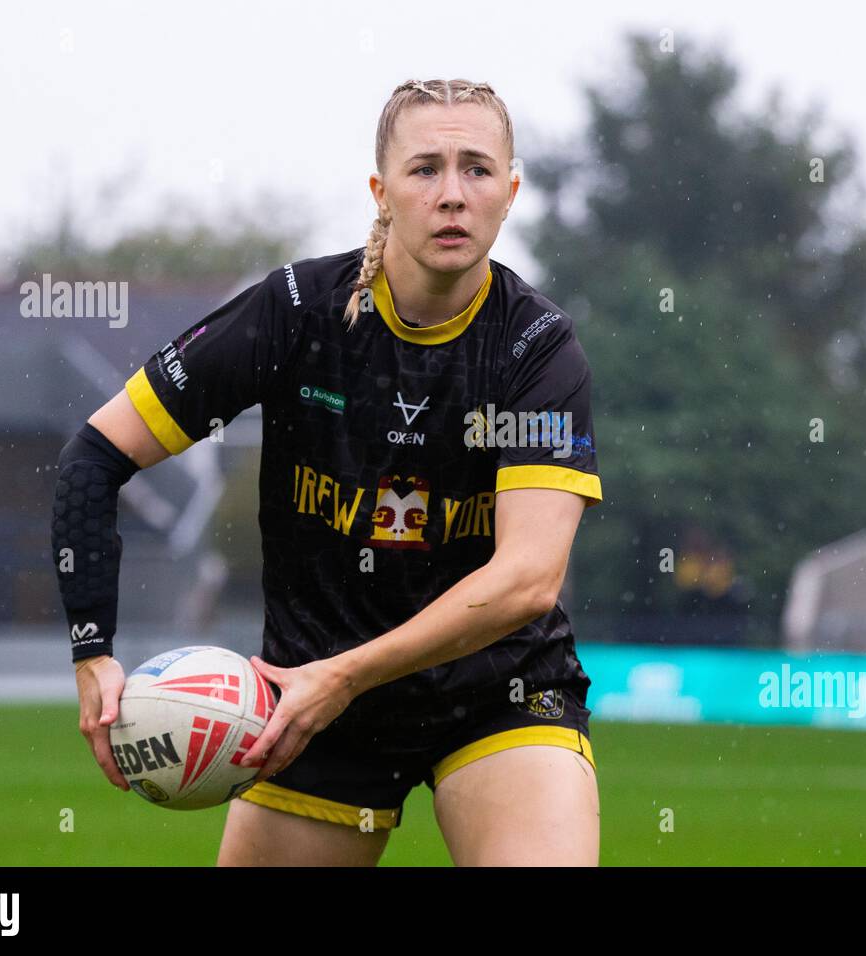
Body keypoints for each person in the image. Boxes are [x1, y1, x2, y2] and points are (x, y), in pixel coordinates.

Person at [54, 78, 603, 866]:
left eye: (477, 169)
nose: (452, 194)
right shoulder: (293, 311)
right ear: (380, 191)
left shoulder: (537, 348)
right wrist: (91, 649)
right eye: (425, 170)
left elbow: (527, 580)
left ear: (510, 191)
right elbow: (95, 456)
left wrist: (344, 675)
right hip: (309, 704)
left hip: (500, 693)